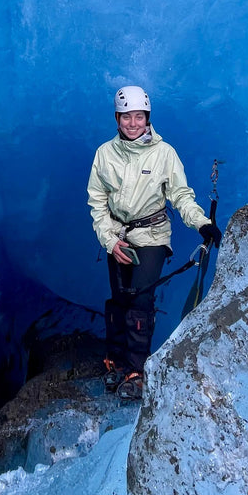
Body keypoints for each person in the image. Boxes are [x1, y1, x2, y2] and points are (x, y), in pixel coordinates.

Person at [87, 85, 221, 401]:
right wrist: (109, 240)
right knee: (119, 299)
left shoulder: (163, 154)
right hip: (119, 237)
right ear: (117, 118)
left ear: (147, 117)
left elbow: (180, 195)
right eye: (126, 117)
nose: (133, 123)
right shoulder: (105, 154)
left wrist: (202, 222)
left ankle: (136, 370)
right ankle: (116, 363)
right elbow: (97, 201)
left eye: (139, 116)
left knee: (140, 299)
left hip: (152, 236)